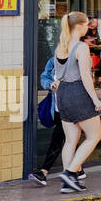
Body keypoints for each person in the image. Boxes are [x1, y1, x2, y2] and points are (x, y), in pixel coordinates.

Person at [50, 11, 101, 194]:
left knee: (70, 140)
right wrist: (95, 99)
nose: (88, 27)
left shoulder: (60, 46)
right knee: (94, 136)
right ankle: (71, 173)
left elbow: (58, 75)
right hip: (77, 93)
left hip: (62, 94)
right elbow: (85, 77)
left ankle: (68, 183)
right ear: (79, 26)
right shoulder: (81, 47)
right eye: (87, 24)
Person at [28, 52, 73, 186]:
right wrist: (50, 84)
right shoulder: (53, 61)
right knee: (69, 139)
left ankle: (44, 172)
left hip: (72, 108)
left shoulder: (77, 60)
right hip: (58, 108)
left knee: (58, 139)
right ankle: (78, 170)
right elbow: (44, 78)